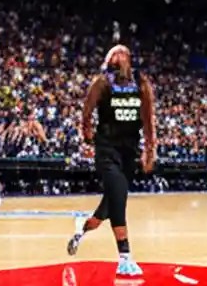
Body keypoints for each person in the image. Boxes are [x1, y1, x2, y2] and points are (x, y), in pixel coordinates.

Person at [66, 45, 156, 277]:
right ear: (109, 60)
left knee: (110, 205)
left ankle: (83, 227)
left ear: (129, 59)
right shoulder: (102, 82)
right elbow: (87, 110)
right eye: (114, 53)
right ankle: (125, 258)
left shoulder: (141, 83)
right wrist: (86, 131)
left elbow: (148, 120)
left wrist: (150, 150)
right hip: (107, 148)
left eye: (122, 52)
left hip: (130, 151)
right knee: (118, 198)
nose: (119, 55)